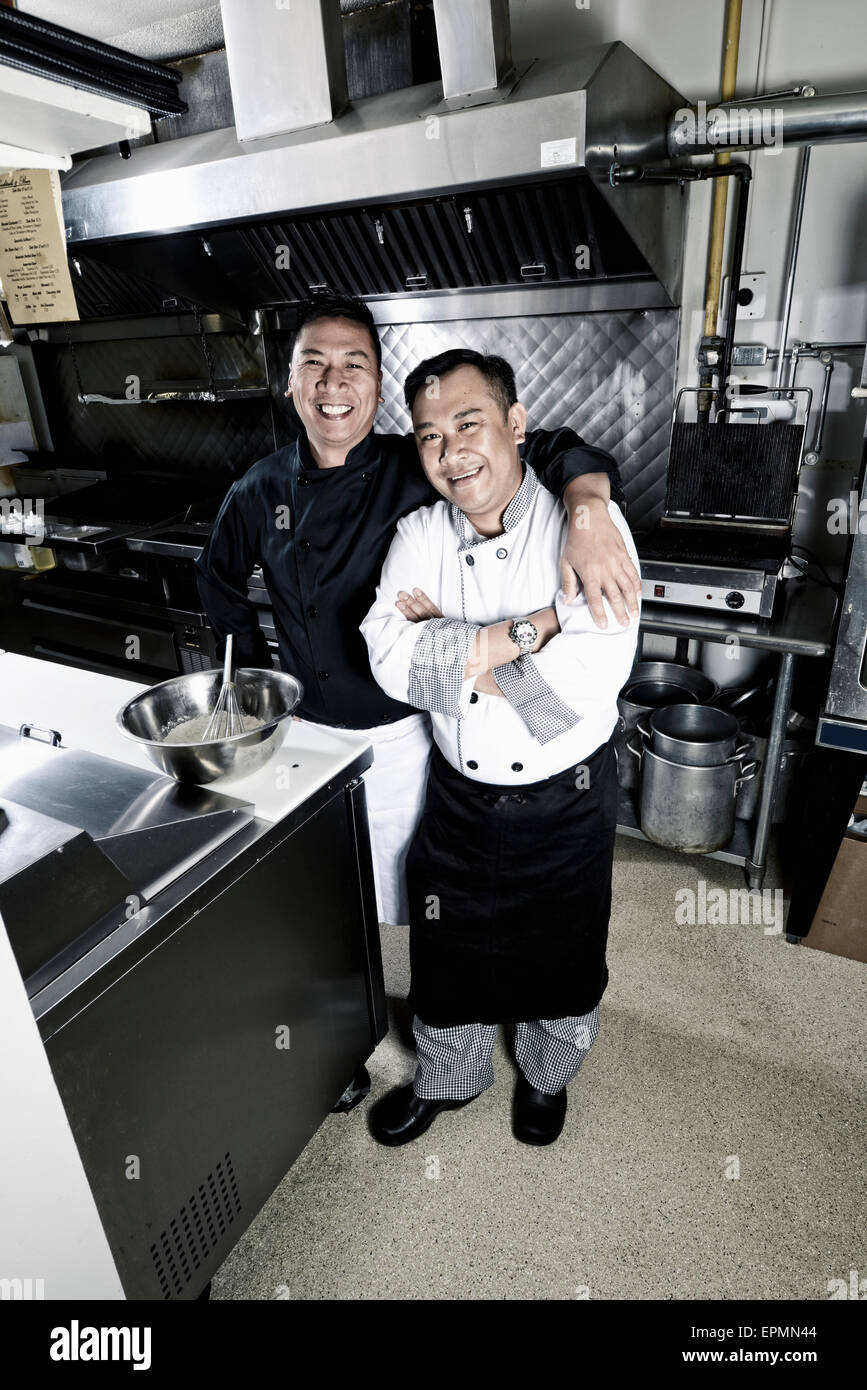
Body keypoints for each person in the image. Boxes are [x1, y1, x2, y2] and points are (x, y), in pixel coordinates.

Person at [195, 294, 640, 926]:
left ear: (376, 384)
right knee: (317, 887)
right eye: (313, 364)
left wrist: (589, 505)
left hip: (402, 730)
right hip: (305, 730)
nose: (334, 383)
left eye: (355, 365)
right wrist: (257, 683)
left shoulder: (422, 461)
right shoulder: (259, 487)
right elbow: (217, 579)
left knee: (406, 889)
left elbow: (551, 446)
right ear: (289, 382)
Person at [360, 349, 641, 1146]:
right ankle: (449, 1079)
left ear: (516, 424)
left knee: (566, 951)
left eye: (468, 423)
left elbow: (573, 696)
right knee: (448, 948)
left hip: (567, 794)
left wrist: (452, 649)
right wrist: (534, 629)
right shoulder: (417, 533)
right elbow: (390, 662)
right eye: (427, 437)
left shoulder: (584, 527)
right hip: (459, 794)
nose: (451, 453)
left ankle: (547, 1079)